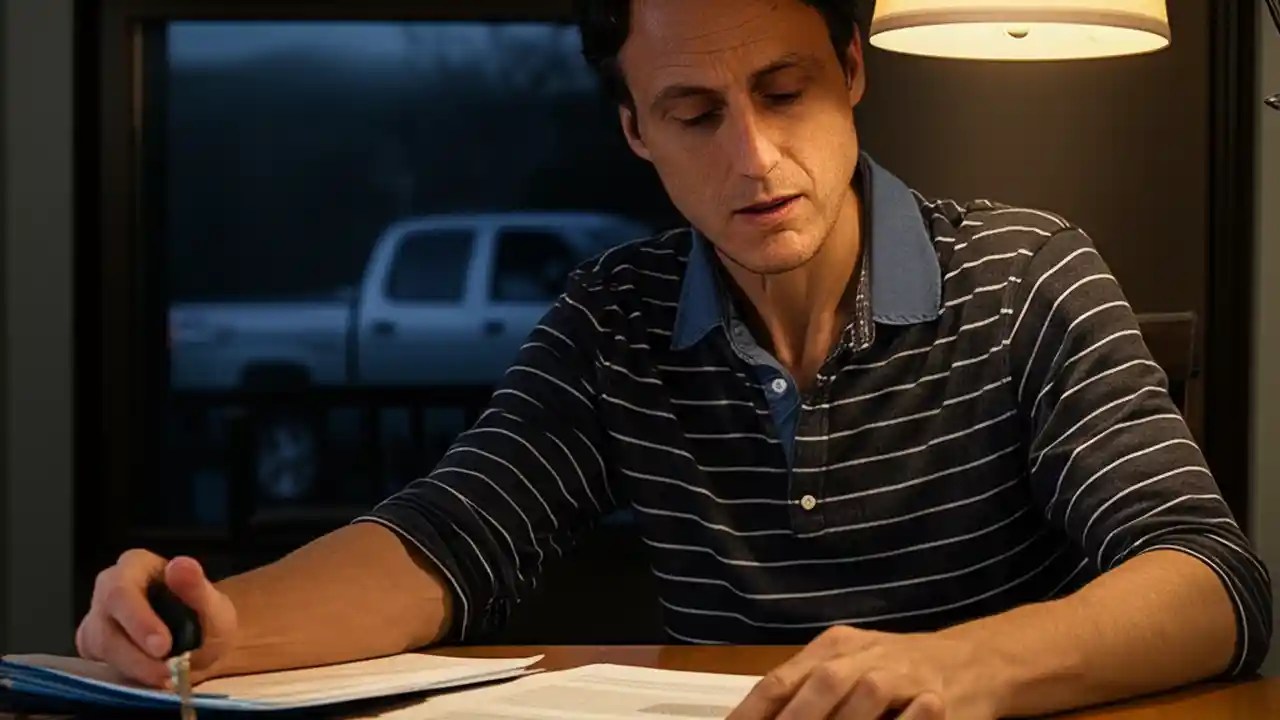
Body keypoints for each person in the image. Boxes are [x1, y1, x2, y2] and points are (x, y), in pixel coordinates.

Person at [77, 0, 1272, 717]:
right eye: (696, 114)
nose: (752, 157)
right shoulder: (616, 312)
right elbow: (447, 538)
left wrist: (955, 671)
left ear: (852, 74)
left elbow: (1211, 582)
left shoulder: (1028, 271)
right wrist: (211, 628)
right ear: (636, 133)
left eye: (783, 90)